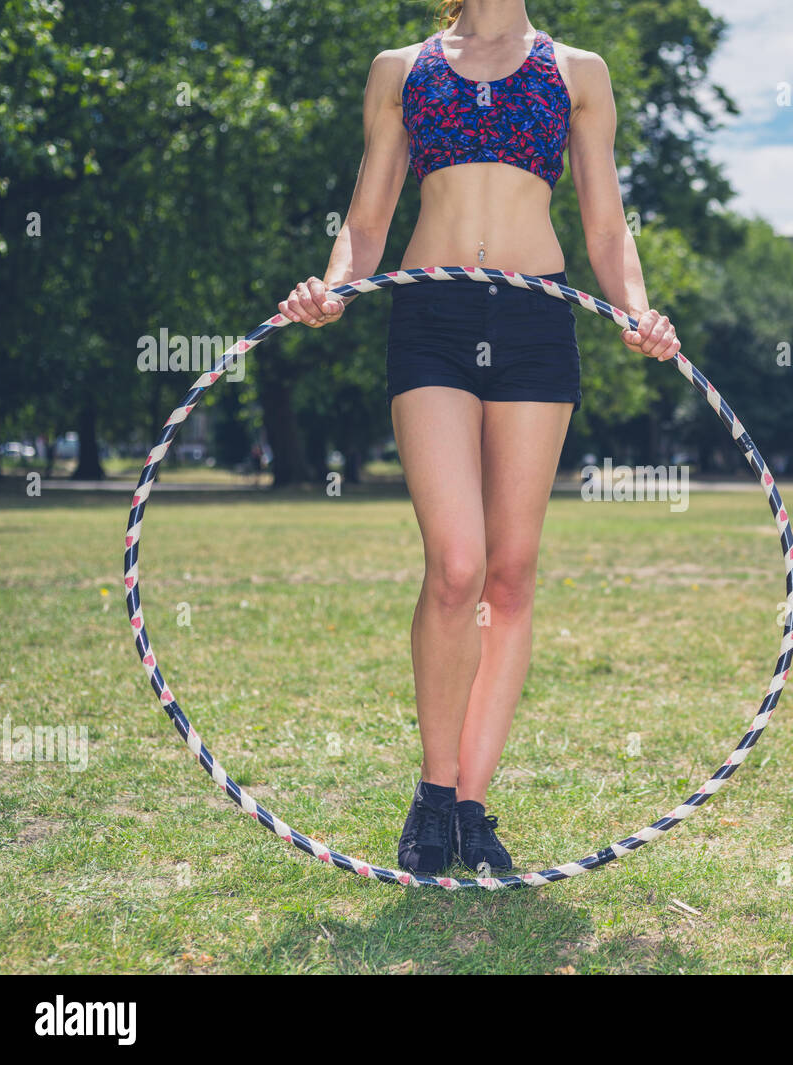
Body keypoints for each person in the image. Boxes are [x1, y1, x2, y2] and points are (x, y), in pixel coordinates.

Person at [276, 0, 680, 876]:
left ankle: (470, 805)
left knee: (511, 572)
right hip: (431, 315)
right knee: (458, 564)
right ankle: (433, 790)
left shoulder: (577, 72)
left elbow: (607, 226)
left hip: (538, 319)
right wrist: (335, 285)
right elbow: (367, 221)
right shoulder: (402, 68)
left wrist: (638, 311)